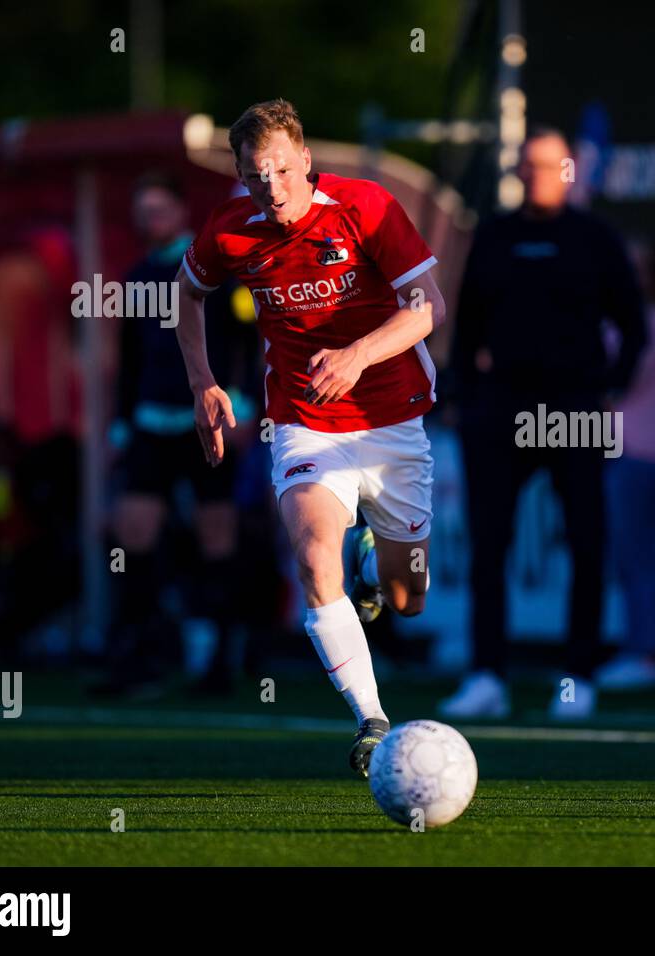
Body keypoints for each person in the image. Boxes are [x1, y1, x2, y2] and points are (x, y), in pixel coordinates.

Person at [173, 99, 446, 777]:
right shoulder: (232, 229)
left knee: (408, 599)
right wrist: (202, 381)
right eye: (254, 175)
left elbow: (430, 308)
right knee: (313, 552)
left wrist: (356, 355)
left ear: (305, 162)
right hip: (303, 425)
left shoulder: (367, 206)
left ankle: (373, 566)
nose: (271, 186)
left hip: (391, 423)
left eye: (280, 170)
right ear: (240, 175)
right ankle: (372, 720)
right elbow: (185, 293)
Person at [441, 128, 647, 721]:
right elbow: (468, 324)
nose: (537, 175)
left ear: (569, 171)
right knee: (488, 544)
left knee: (586, 540)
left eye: (549, 165)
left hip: (575, 407)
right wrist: (463, 393)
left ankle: (578, 677)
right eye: (528, 165)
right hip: (500, 405)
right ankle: (486, 676)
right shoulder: (495, 235)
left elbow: (634, 326)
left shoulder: (594, 239)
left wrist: (608, 387)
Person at [97, 170, 249, 698]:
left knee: (217, 534)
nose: (150, 219)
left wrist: (244, 401)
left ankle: (222, 662)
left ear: (181, 213)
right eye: (144, 211)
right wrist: (121, 422)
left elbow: (243, 341)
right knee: (131, 530)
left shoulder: (212, 270)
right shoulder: (136, 276)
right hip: (150, 423)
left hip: (206, 422)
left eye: (159, 209)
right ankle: (136, 657)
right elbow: (131, 358)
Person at [596, 240, 655, 690]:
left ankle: (647, 652)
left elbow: (616, 381)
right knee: (637, 553)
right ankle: (651, 646)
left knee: (636, 554)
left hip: (638, 451)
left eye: (641, 269)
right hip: (639, 451)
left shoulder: (649, 323)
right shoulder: (642, 322)